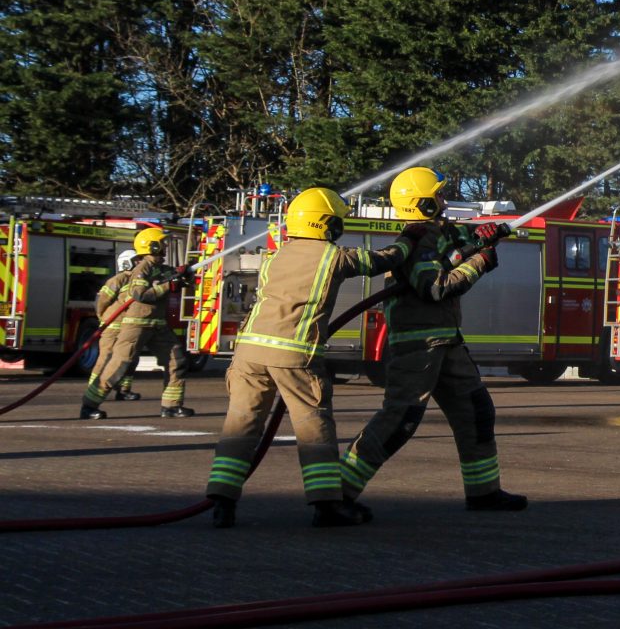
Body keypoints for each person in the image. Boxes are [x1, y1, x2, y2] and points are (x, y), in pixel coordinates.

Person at [205, 186, 424, 529]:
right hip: (294, 354)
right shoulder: (332, 256)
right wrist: (409, 238)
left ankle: (222, 499)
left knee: (241, 424)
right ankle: (326, 505)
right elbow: (383, 260)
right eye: (336, 221)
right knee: (313, 427)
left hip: (248, 353)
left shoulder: (275, 256)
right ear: (324, 224)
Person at [339, 167, 526, 512]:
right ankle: (339, 493)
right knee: (399, 421)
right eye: (438, 195)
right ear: (423, 204)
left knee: (476, 411)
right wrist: (480, 261)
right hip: (418, 349)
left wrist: (483, 232)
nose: (443, 199)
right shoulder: (418, 239)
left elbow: (458, 240)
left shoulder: (438, 233)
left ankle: (484, 491)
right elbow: (435, 286)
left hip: (445, 344)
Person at [80, 228, 194, 420]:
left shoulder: (161, 268)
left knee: (177, 361)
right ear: (152, 245)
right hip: (137, 324)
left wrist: (185, 273)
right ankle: (89, 406)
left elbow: (176, 279)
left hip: (158, 325)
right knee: (119, 365)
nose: (165, 246)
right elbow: (139, 294)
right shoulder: (142, 268)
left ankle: (171, 406)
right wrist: (169, 285)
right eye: (162, 243)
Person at [82, 252, 143, 408]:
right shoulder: (118, 279)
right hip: (113, 326)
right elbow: (102, 300)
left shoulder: (140, 279)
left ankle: (124, 390)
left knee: (131, 358)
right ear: (127, 263)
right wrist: (102, 317)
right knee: (106, 357)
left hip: (129, 326)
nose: (140, 262)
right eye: (137, 260)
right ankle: (92, 388)